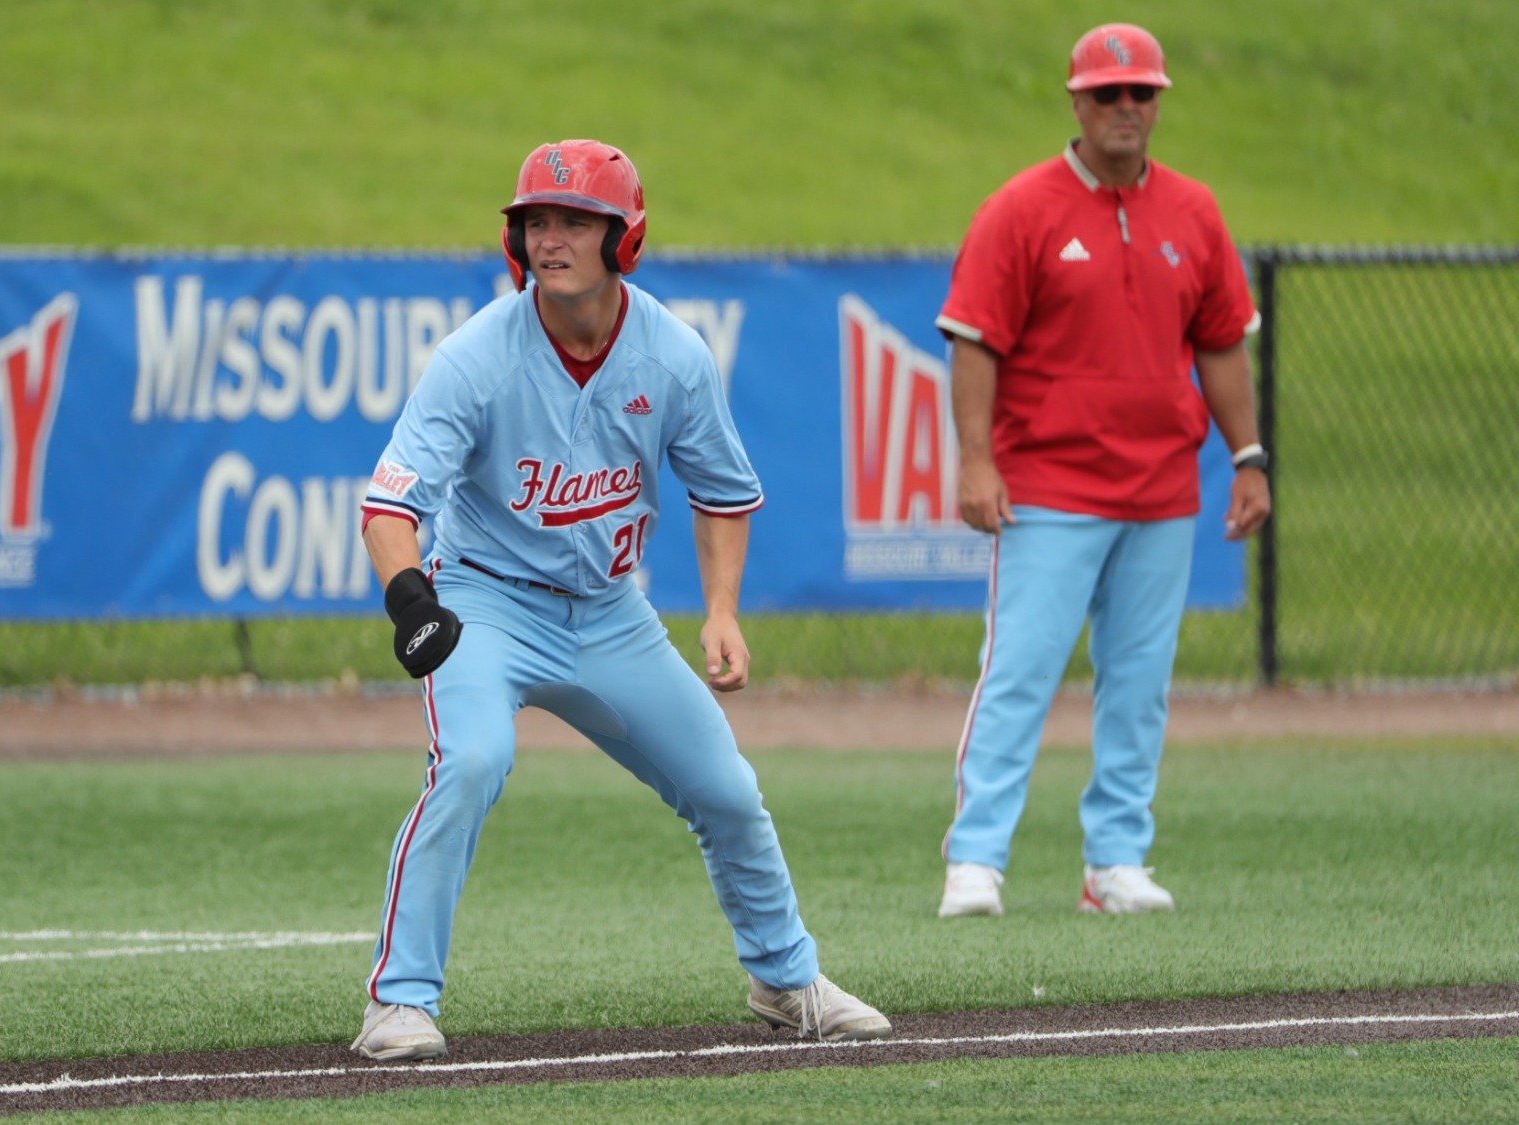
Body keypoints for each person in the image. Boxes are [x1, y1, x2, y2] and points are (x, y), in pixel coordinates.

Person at [350, 139, 891, 1060]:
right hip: (487, 600)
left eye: (575, 221)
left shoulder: (673, 356)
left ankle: (784, 977)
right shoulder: (475, 357)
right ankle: (397, 1001)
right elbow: (390, 504)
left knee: (725, 788)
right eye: (536, 221)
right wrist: (414, 603)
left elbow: (721, 493)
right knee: (472, 761)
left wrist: (720, 611)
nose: (551, 238)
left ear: (623, 237)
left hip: (609, 612)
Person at [933, 24, 1271, 918]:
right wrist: (977, 462)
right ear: (1077, 102)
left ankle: (1115, 861)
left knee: (1140, 679)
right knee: (1019, 671)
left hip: (1163, 488)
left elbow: (1223, 344)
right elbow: (974, 343)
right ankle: (975, 860)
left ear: (1158, 103)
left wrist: (1247, 458)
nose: (1127, 108)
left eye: (1143, 93)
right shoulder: (1021, 208)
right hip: (1049, 486)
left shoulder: (1194, 211)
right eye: (1109, 93)